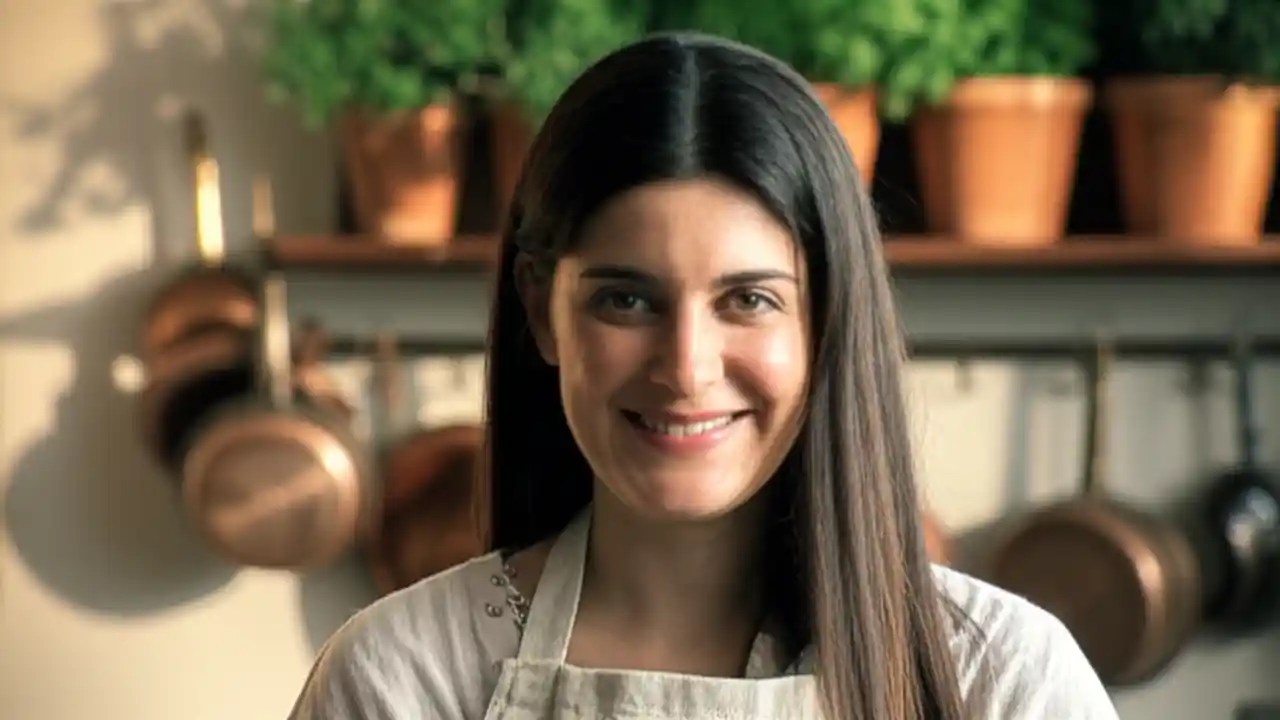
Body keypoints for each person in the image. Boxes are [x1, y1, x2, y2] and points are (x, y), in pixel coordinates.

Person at [286, 32, 1119, 720]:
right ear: (542, 311)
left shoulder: (1003, 681)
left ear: (825, 320)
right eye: (625, 299)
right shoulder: (401, 680)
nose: (686, 368)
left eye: (749, 299)